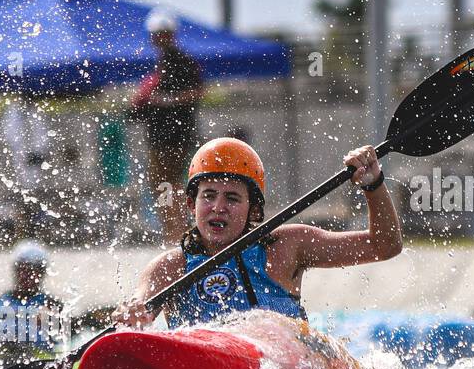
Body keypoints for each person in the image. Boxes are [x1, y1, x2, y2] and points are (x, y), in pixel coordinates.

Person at [114, 137, 402, 329]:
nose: (218, 207)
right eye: (209, 196)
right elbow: (141, 305)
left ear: (253, 211)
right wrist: (133, 313)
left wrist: (373, 185)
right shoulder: (170, 267)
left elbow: (383, 246)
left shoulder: (287, 246)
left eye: (233, 198)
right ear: (191, 204)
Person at [126, 8, 204, 245]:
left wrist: (162, 101)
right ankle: (173, 230)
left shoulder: (182, 63)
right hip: (161, 136)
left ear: (171, 35)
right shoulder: (162, 65)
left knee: (170, 183)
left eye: (162, 34)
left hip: (175, 136)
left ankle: (177, 232)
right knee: (163, 184)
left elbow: (195, 93)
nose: (158, 39)